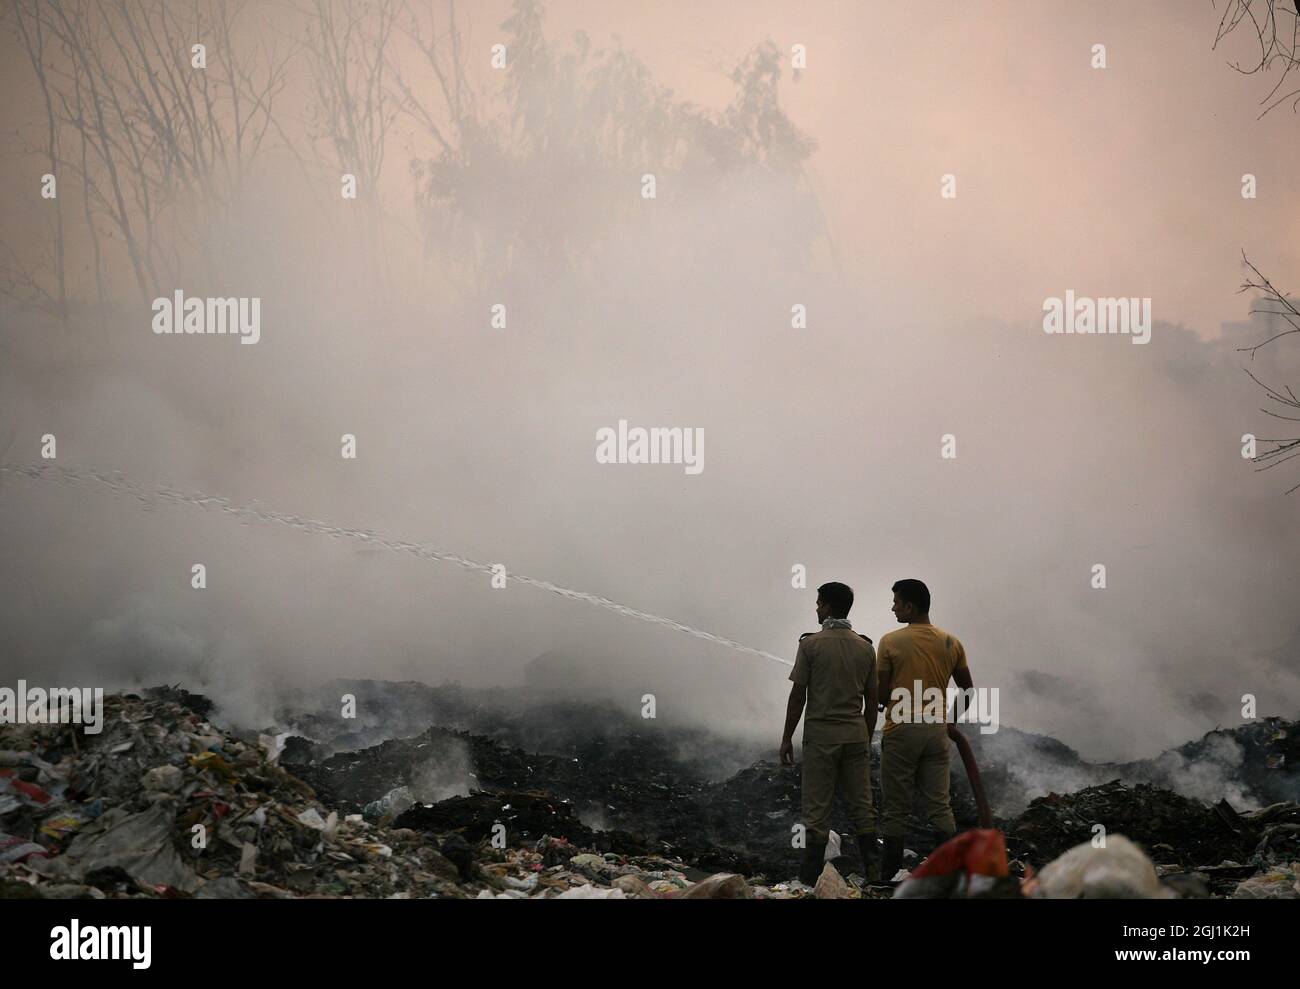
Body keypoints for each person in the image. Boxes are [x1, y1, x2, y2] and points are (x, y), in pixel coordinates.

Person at [779, 581, 879, 884]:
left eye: (819, 603)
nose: (817, 608)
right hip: (854, 736)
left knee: (816, 810)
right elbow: (872, 701)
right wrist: (865, 735)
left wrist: (786, 737)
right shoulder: (865, 648)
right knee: (862, 805)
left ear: (829, 608)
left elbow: (798, 696)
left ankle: (809, 880)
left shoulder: (810, 645)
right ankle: (874, 874)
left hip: (821, 738)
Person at [876, 578, 973, 881]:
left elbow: (880, 696)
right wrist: (949, 722)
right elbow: (967, 690)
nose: (893, 608)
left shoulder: (890, 642)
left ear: (910, 606)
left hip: (901, 729)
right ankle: (948, 876)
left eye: (896, 602)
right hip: (936, 732)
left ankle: (890, 875)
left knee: (896, 809)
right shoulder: (951, 642)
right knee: (939, 805)